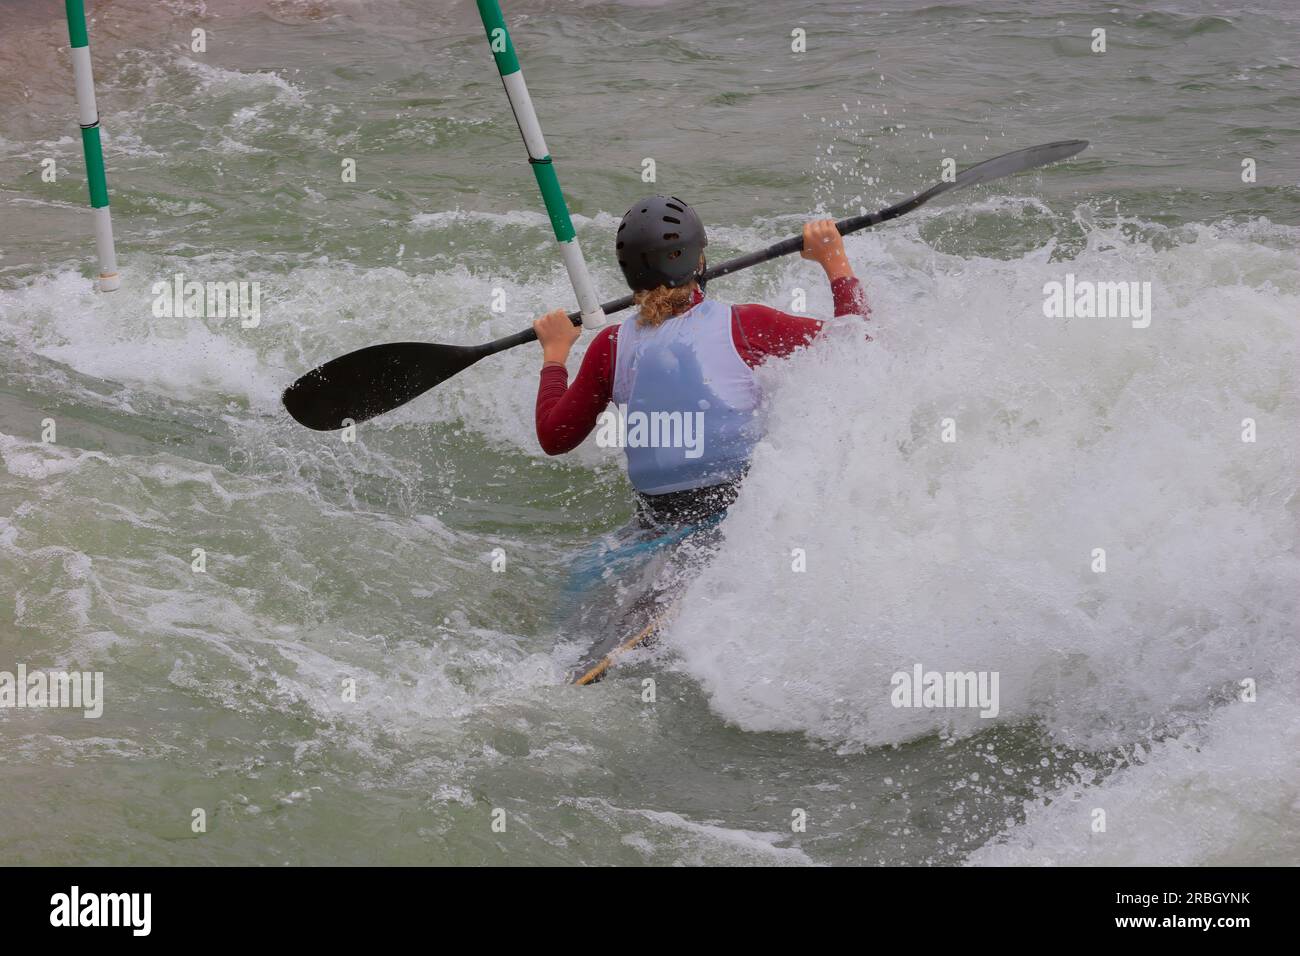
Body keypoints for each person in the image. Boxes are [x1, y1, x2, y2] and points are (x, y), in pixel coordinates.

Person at [533, 195, 869, 530]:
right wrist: (833, 259)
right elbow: (858, 348)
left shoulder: (611, 346)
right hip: (742, 518)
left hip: (655, 525)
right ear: (700, 260)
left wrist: (555, 354)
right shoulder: (746, 324)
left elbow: (554, 437)